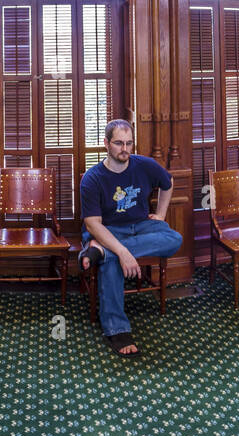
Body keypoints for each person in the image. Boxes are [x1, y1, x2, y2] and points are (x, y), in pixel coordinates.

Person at [77, 118, 180, 359]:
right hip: (109, 230)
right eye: (118, 143)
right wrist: (122, 252)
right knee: (112, 261)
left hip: (141, 227)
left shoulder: (144, 165)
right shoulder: (92, 178)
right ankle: (117, 330)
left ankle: (100, 251)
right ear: (106, 144)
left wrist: (162, 214)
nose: (124, 149)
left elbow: (168, 182)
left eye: (129, 143)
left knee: (174, 238)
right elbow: (93, 223)